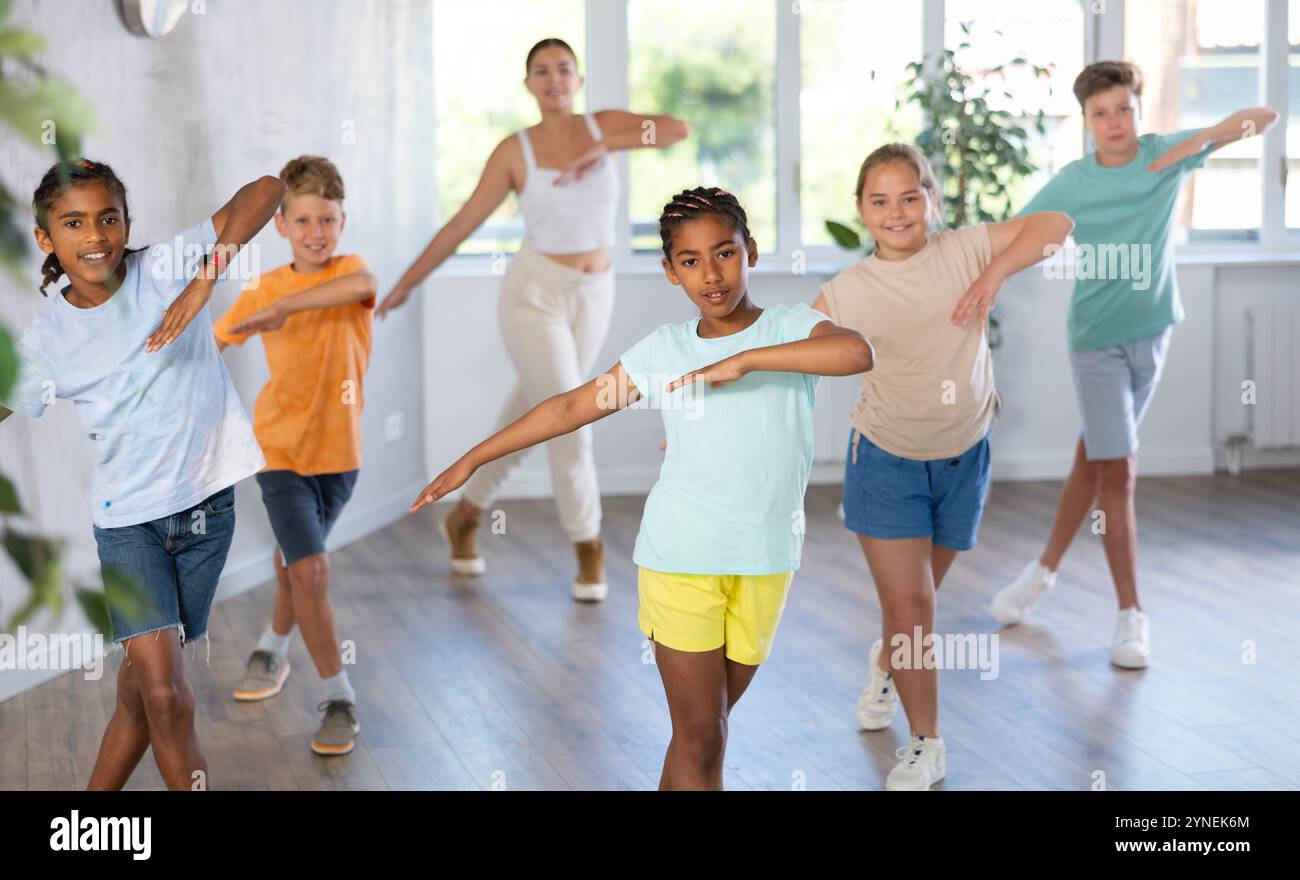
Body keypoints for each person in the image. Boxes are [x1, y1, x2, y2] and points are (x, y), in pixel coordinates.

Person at [410, 187, 874, 789]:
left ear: (751, 252)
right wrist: (474, 458)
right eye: (690, 261)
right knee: (704, 738)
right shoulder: (664, 351)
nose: (711, 274)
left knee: (703, 733)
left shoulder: (792, 328)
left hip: (766, 560)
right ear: (670, 271)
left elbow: (856, 352)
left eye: (725, 253)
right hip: (681, 558)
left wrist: (745, 361)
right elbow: (571, 407)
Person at [0, 158, 283, 789]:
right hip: (129, 527)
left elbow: (267, 189)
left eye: (108, 218)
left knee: (141, 689)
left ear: (127, 223)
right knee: (167, 696)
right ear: (46, 238)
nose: (95, 235)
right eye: (73, 223)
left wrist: (205, 279)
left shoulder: (165, 267)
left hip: (208, 513)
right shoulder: (47, 341)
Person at [380, 37, 690, 602]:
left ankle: (467, 514)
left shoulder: (603, 126)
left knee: (532, 413)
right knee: (572, 414)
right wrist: (406, 283)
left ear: (578, 79)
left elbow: (674, 130)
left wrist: (606, 146)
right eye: (542, 71)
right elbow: (461, 224)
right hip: (535, 296)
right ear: (528, 84)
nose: (554, 79)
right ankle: (588, 546)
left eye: (564, 69)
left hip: (594, 294)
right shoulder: (513, 151)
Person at [992, 61, 1278, 668]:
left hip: (1154, 332)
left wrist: (1199, 142)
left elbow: (1265, 117)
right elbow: (1011, 233)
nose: (1114, 122)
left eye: (1124, 108)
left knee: (1094, 458)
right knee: (1118, 471)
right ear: (1086, 121)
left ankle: (1041, 573)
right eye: (1100, 113)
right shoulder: (1074, 183)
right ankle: (1131, 614)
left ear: (1138, 110)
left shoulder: (1163, 155)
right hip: (1096, 340)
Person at [814, 143, 1072, 790]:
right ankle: (927, 744)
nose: (897, 212)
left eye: (910, 196)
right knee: (915, 607)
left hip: (964, 457)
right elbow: (782, 357)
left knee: (915, 603)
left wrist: (994, 274)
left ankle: (886, 662)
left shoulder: (964, 248)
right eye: (880, 201)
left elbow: (1057, 224)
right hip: (886, 461)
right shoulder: (847, 291)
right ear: (860, 209)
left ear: (931, 199)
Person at [213, 155, 378, 757]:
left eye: (327, 220)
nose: (316, 232)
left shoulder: (352, 272)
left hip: (341, 458)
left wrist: (288, 309)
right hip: (279, 451)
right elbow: (214, 342)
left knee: (292, 566)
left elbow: (362, 287)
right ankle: (339, 698)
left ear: (342, 221)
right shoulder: (263, 287)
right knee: (311, 570)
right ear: (280, 224)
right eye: (303, 220)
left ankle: (271, 649)